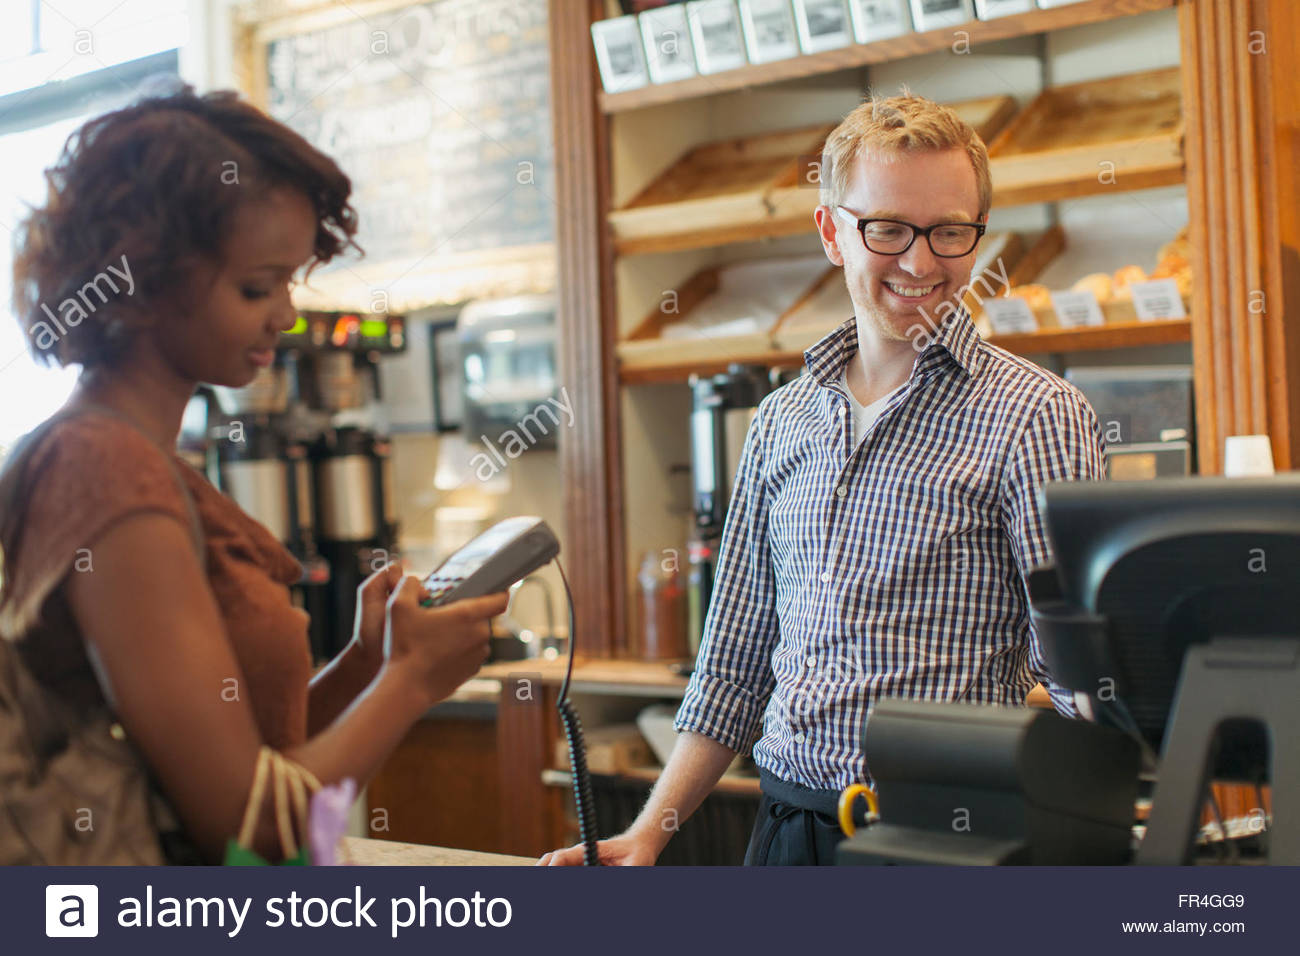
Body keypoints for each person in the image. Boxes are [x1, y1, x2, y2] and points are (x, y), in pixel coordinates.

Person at [540, 92, 1105, 867]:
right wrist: (648, 834)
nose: (921, 262)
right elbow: (732, 665)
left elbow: (1080, 677)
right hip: (786, 835)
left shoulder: (1037, 414)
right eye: (887, 229)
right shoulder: (780, 420)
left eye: (950, 232)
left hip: (954, 843)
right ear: (832, 231)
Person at [0, 86, 508, 864]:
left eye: (289, 282)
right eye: (256, 288)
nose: (287, 316)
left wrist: (368, 664)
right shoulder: (104, 468)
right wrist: (410, 685)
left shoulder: (145, 460)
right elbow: (250, 827)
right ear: (145, 283)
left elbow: (241, 754)